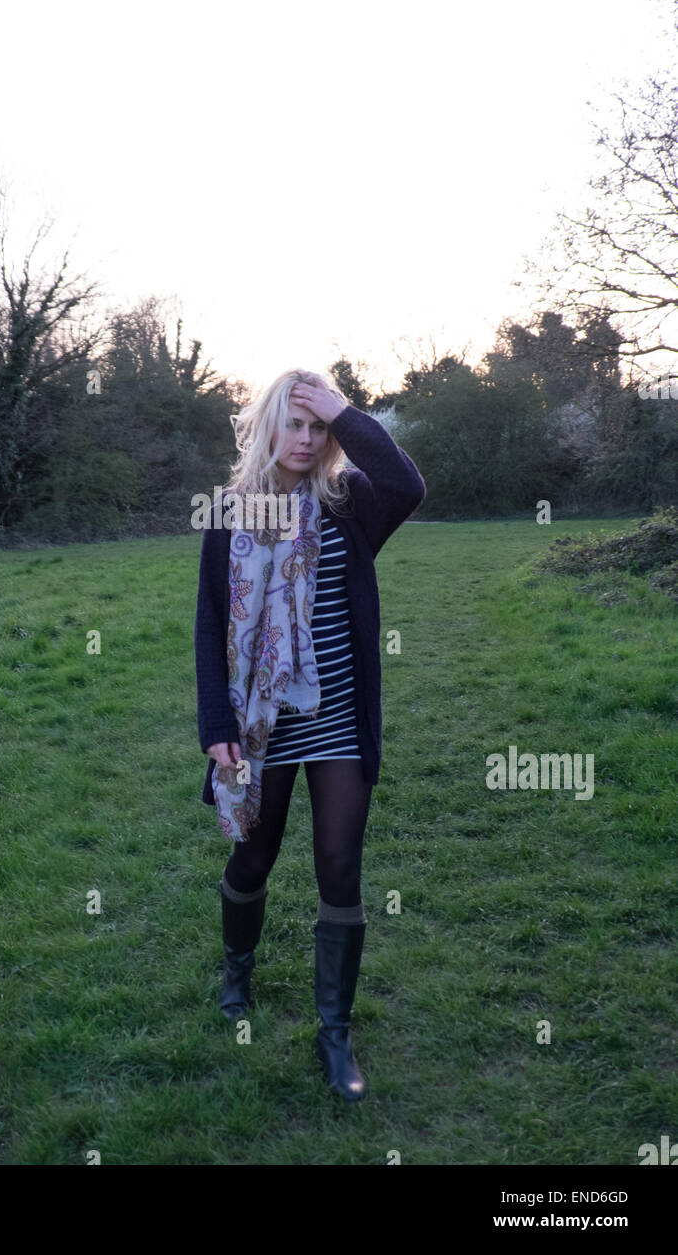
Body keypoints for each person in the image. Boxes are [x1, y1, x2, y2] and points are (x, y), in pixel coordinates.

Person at [194, 368, 426, 1101]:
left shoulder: (351, 502)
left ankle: (335, 1034)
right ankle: (237, 969)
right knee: (253, 857)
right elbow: (208, 622)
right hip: (260, 721)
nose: (304, 439)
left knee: (339, 865)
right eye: (292, 424)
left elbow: (407, 483)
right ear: (266, 428)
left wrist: (345, 410)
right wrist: (216, 725)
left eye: (316, 427)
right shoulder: (231, 511)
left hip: (337, 716)